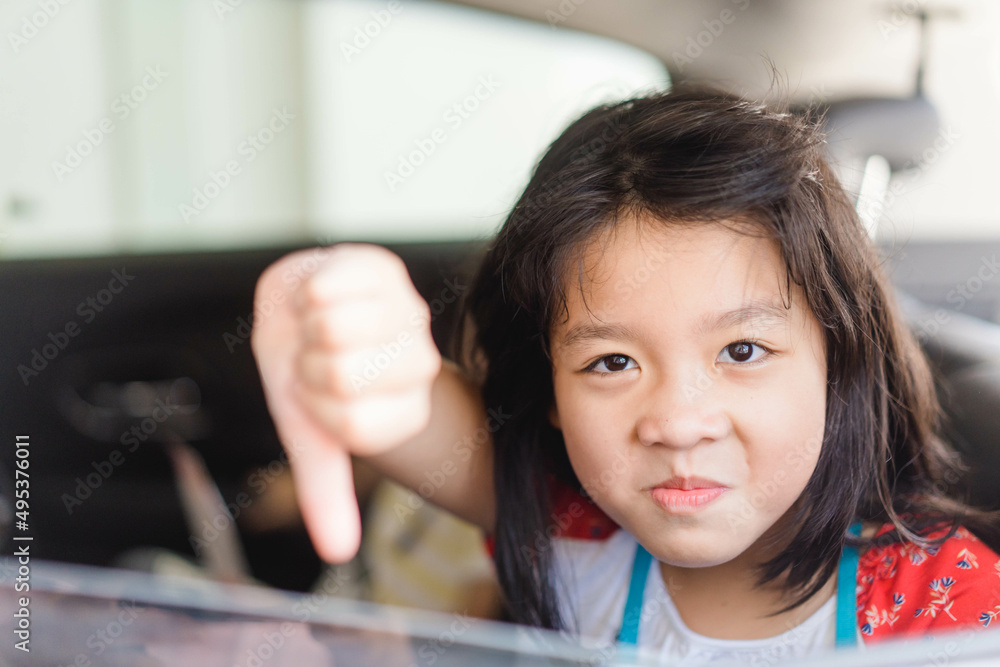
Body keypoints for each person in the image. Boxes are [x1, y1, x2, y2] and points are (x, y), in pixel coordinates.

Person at [250, 86, 1000, 661]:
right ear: (549, 391)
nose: (675, 419)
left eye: (741, 351)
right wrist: (340, 315)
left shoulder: (946, 611)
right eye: (612, 362)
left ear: (839, 359)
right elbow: (401, 398)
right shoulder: (580, 536)